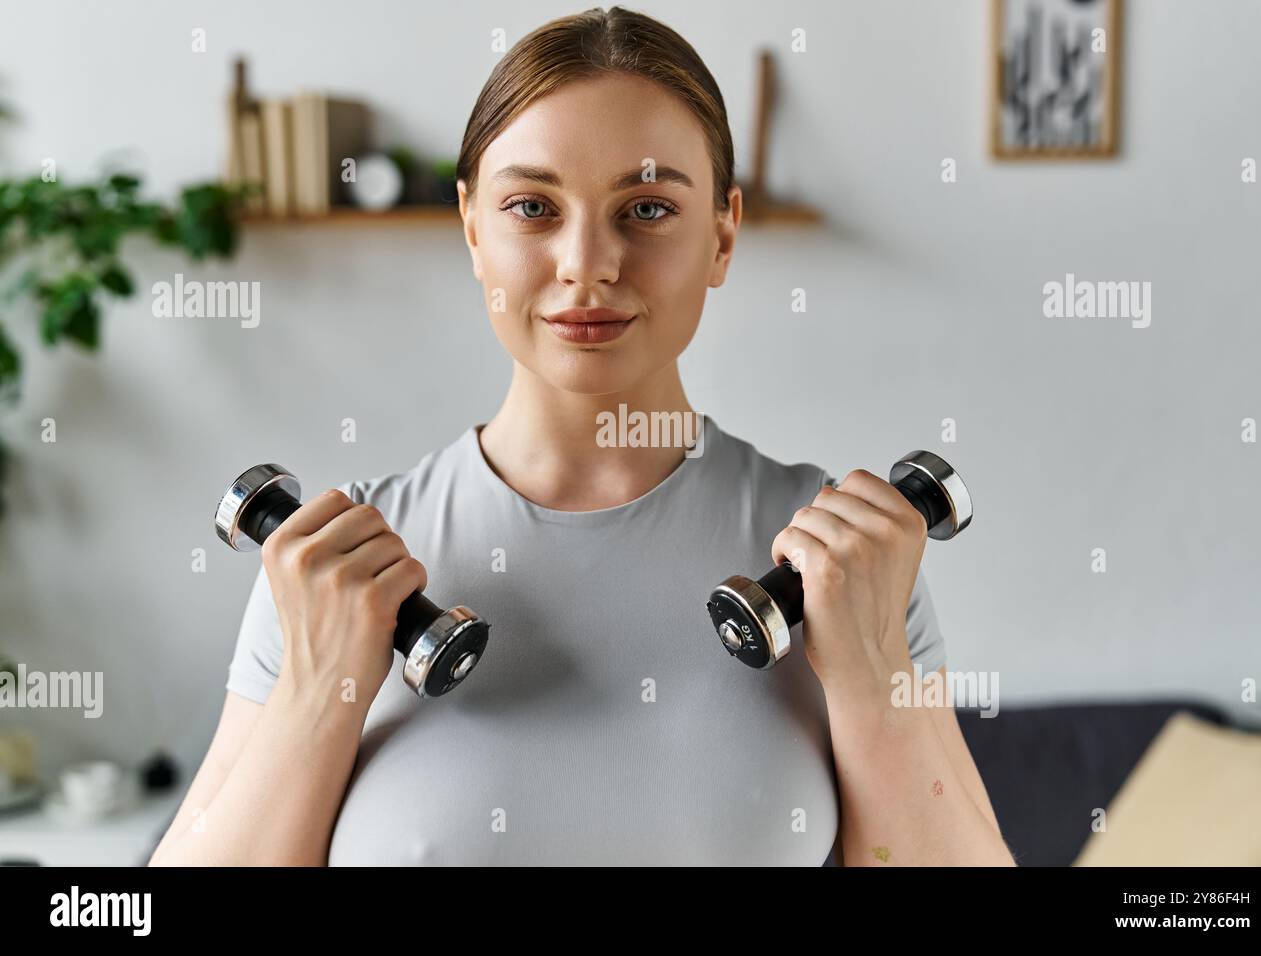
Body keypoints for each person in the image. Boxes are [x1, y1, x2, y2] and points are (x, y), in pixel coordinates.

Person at [150, 6, 1013, 866]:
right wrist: (316, 696)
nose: (588, 263)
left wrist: (867, 675)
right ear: (473, 229)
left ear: (722, 234)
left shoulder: (846, 561)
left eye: (646, 207)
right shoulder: (328, 569)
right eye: (531, 206)